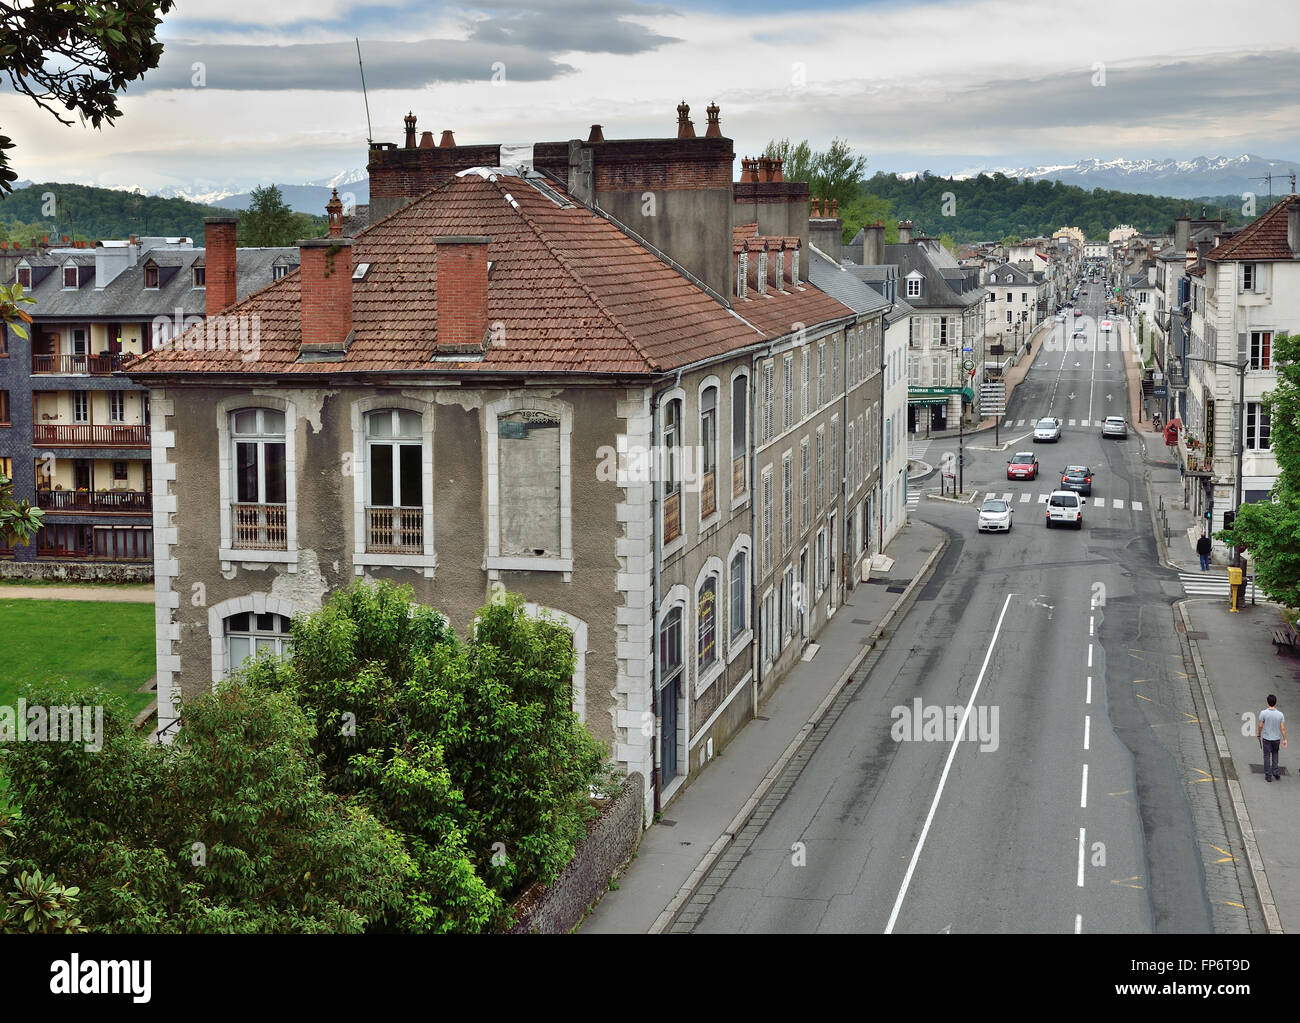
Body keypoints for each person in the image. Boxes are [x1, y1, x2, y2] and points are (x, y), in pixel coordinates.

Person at [1258, 694, 1287, 782]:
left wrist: (1258, 734)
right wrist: (1285, 739)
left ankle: (1268, 775)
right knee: (1275, 754)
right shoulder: (1280, 714)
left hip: (1267, 738)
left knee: (1266, 756)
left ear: (1268, 702)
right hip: (1276, 739)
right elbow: (1282, 728)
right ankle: (1275, 772)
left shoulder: (1263, 713)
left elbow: (1260, 726)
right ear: (1275, 702)